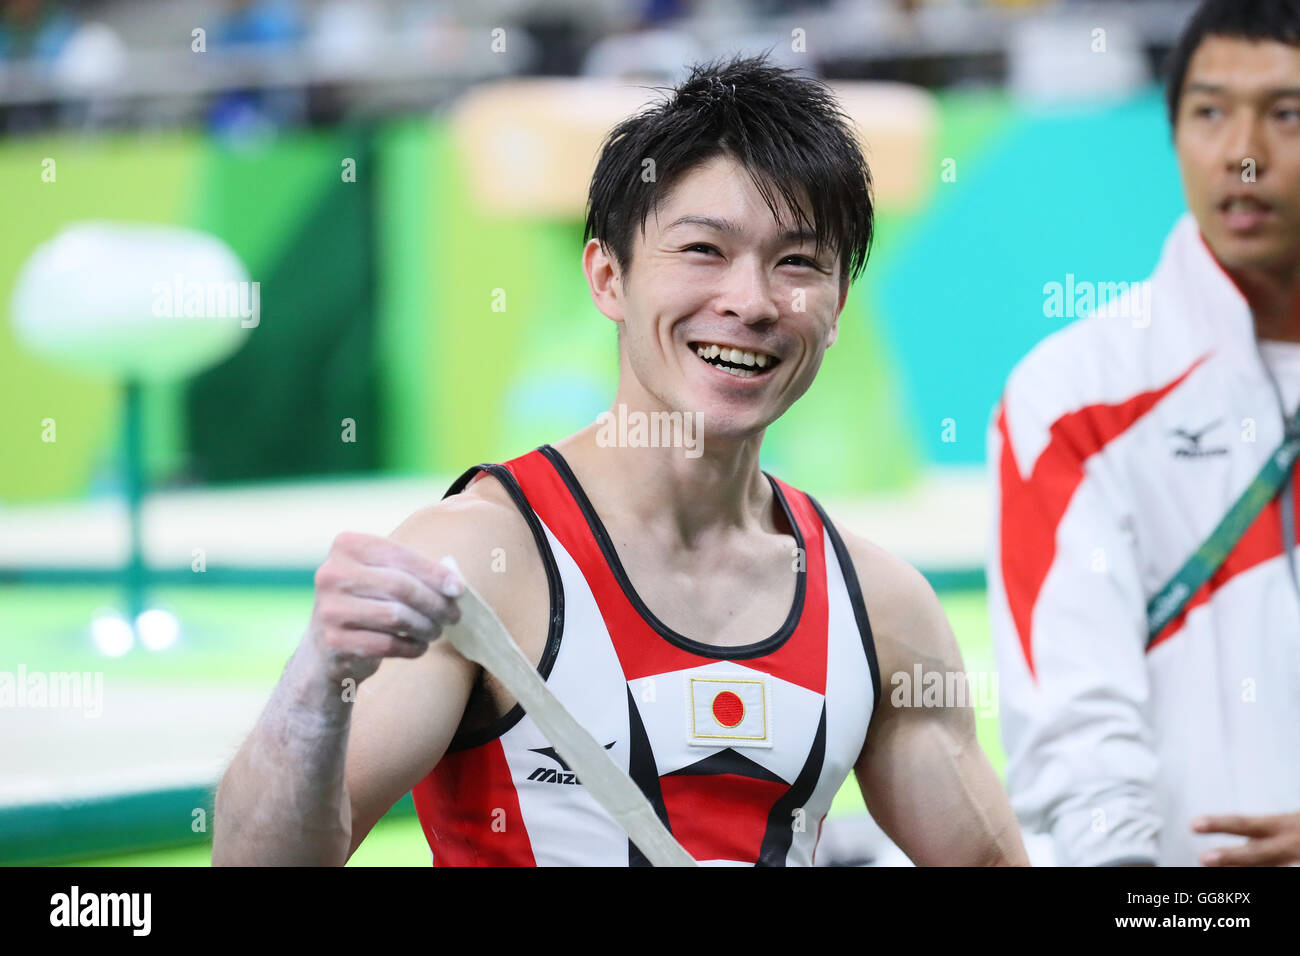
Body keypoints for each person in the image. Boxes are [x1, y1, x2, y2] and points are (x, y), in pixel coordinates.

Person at [213, 53, 1027, 867]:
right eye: (704, 250)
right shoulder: (476, 565)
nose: (749, 302)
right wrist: (314, 686)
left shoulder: (883, 609)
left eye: (798, 263)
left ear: (838, 305)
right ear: (608, 277)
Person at [989, 0, 1300, 867]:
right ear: (1170, 136)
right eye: (1210, 112)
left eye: (1287, 113)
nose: (1244, 153)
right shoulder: (1071, 395)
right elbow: (1074, 730)